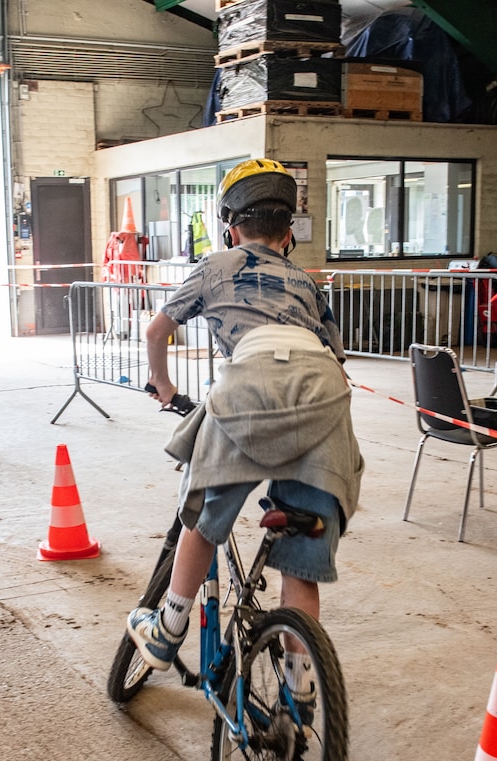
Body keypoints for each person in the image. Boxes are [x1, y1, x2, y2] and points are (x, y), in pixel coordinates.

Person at [125, 159, 364, 706]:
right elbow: (336, 356)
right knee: (301, 553)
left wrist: (163, 383)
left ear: (231, 227)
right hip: (323, 397)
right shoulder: (305, 281)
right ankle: (301, 687)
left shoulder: (215, 266)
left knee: (204, 520)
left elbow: (157, 330)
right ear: (287, 233)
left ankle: (167, 629)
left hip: (248, 390)